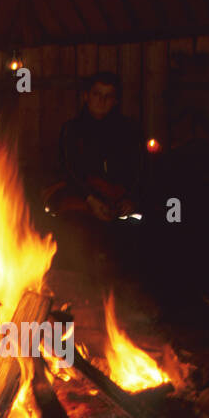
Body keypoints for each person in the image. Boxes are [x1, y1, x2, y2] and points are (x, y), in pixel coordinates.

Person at [42, 71, 142, 278]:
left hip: (118, 202)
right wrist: (91, 200)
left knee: (134, 236)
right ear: (86, 96)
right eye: (97, 94)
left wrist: (129, 199)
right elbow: (69, 170)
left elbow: (139, 169)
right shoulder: (72, 130)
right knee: (75, 233)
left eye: (108, 96)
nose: (101, 101)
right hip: (81, 200)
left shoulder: (129, 132)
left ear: (115, 101)